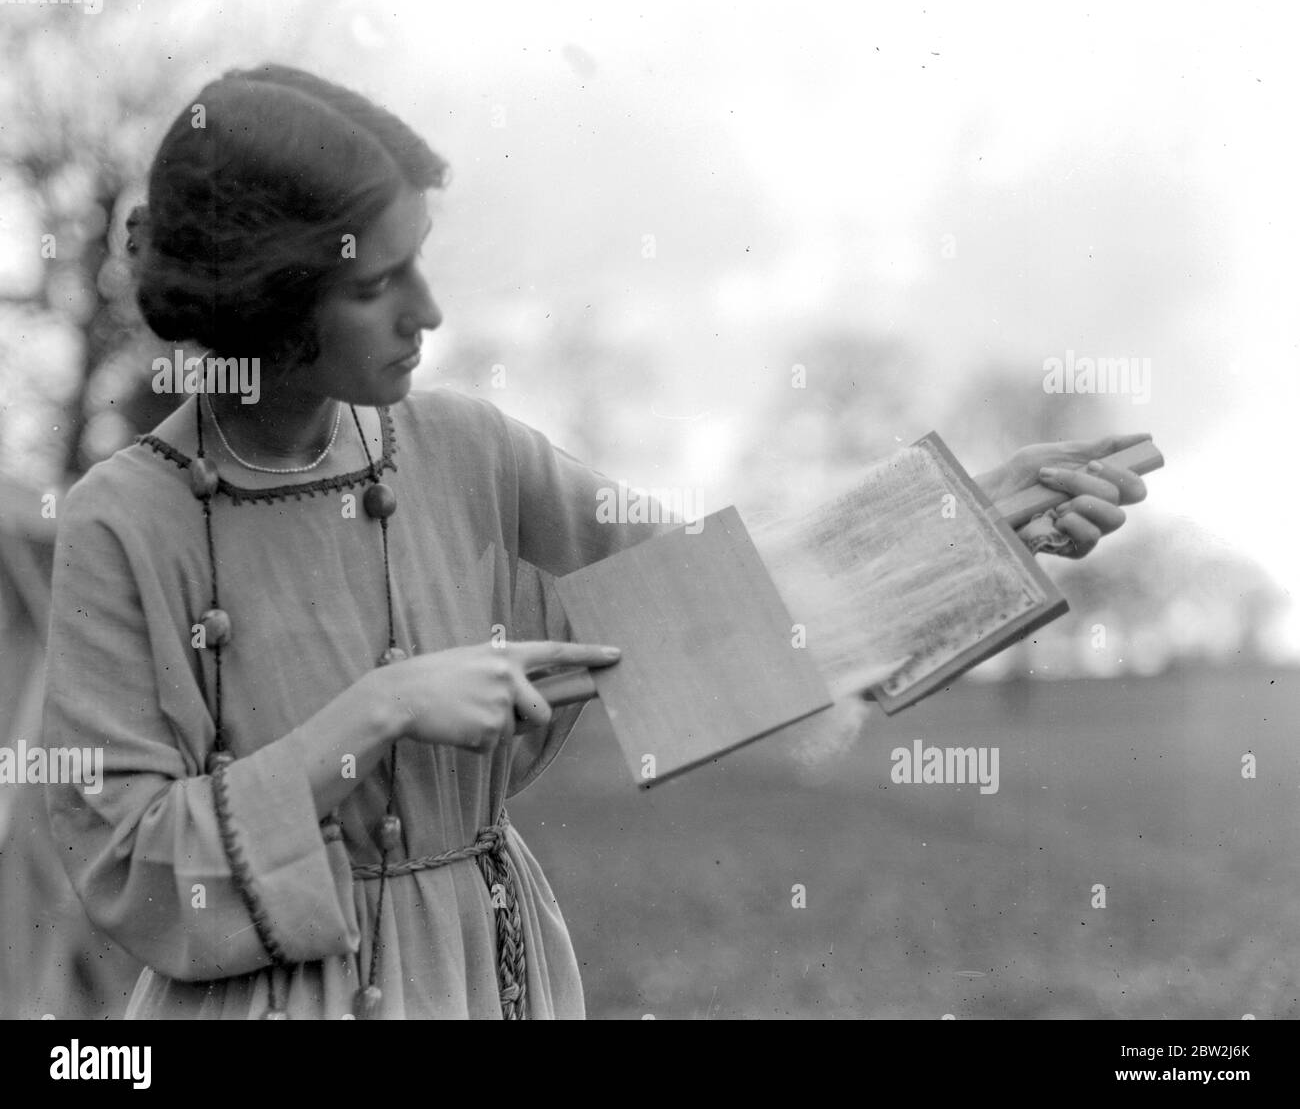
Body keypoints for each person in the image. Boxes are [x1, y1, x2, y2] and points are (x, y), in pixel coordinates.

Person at [41, 63, 1147, 1020]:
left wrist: (958, 525)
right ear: (267, 305)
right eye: (377, 284)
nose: (428, 311)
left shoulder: (468, 448)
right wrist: (374, 714)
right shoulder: (123, 519)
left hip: (488, 970)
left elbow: (711, 585)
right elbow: (126, 858)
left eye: (421, 262)